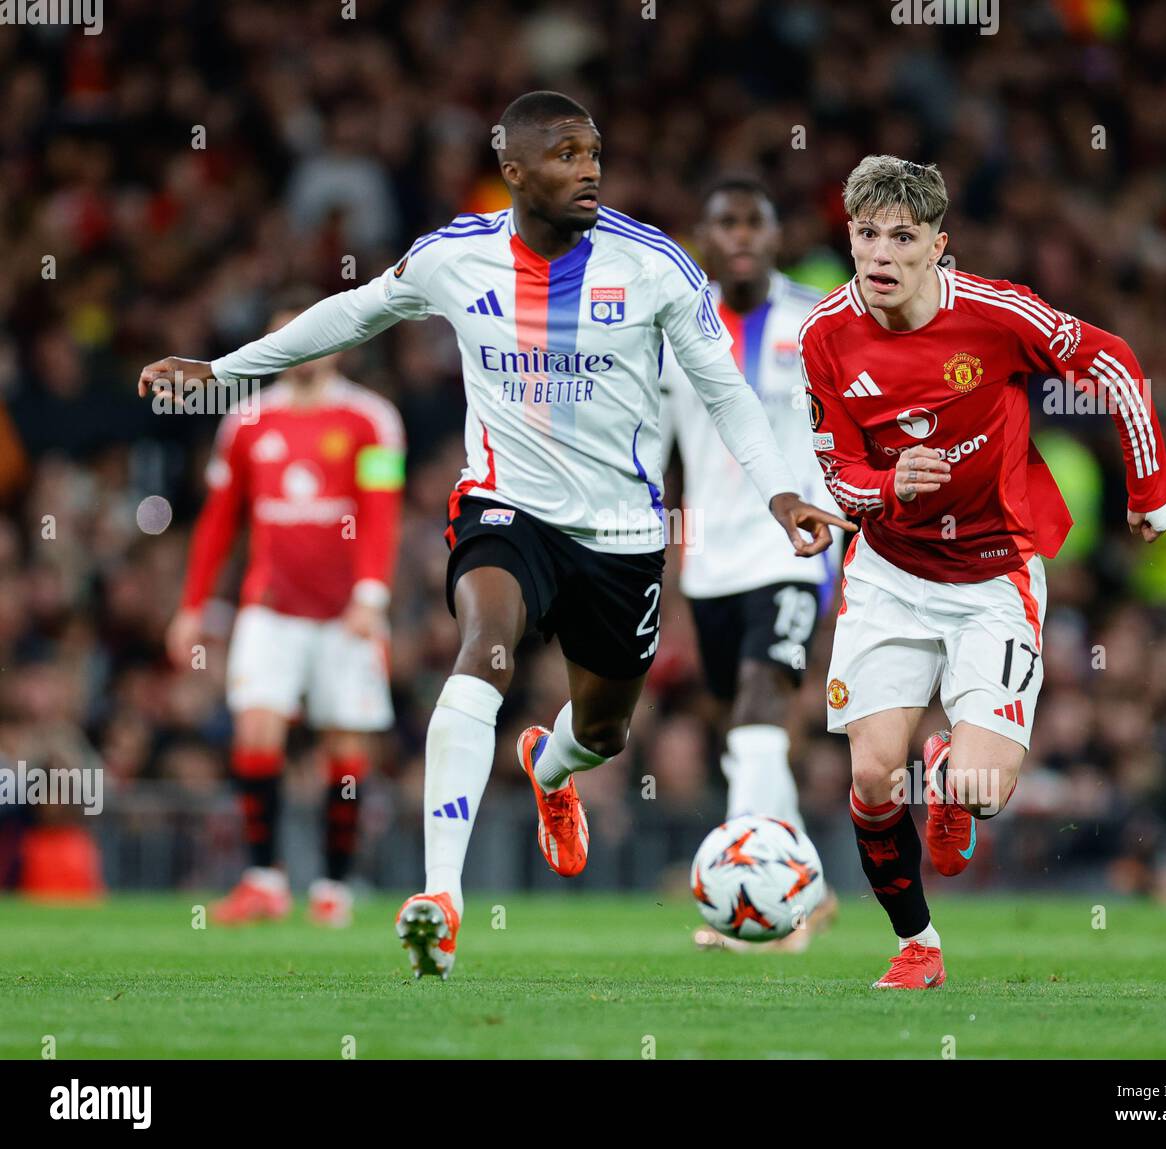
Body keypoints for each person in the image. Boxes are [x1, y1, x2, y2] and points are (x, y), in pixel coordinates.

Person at [139, 92, 850, 979]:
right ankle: (442, 895)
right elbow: (351, 313)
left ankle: (552, 773)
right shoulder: (454, 257)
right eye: (564, 153)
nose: (588, 167)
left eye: (594, 151)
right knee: (484, 644)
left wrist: (782, 494)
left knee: (603, 729)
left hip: (622, 533)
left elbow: (726, 393)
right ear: (513, 170)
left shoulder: (654, 265)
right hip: (504, 506)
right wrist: (220, 370)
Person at [799, 156, 1166, 989]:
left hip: (992, 578)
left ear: (940, 246)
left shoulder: (994, 314)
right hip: (890, 573)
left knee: (981, 788)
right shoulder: (825, 334)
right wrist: (887, 485)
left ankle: (948, 783)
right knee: (868, 773)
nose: (880, 255)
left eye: (902, 237)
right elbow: (836, 469)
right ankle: (917, 944)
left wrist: (1151, 489)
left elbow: (1110, 363)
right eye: (866, 235)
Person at [167, 291, 404, 928]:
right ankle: (264, 879)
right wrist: (193, 605)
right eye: (287, 336)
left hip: (344, 615)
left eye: (310, 333)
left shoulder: (371, 420)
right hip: (268, 609)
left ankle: (333, 885)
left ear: (336, 342)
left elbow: (380, 514)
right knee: (256, 732)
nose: (300, 348)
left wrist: (371, 596)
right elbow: (218, 523)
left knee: (346, 749)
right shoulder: (245, 422)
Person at [659, 177, 841, 952]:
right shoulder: (670, 329)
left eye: (753, 222)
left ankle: (751, 907)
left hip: (796, 548)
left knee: (762, 719)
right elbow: (653, 448)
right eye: (724, 222)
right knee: (746, 737)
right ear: (703, 235)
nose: (740, 236)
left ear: (776, 235)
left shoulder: (819, 320)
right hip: (709, 564)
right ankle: (813, 891)